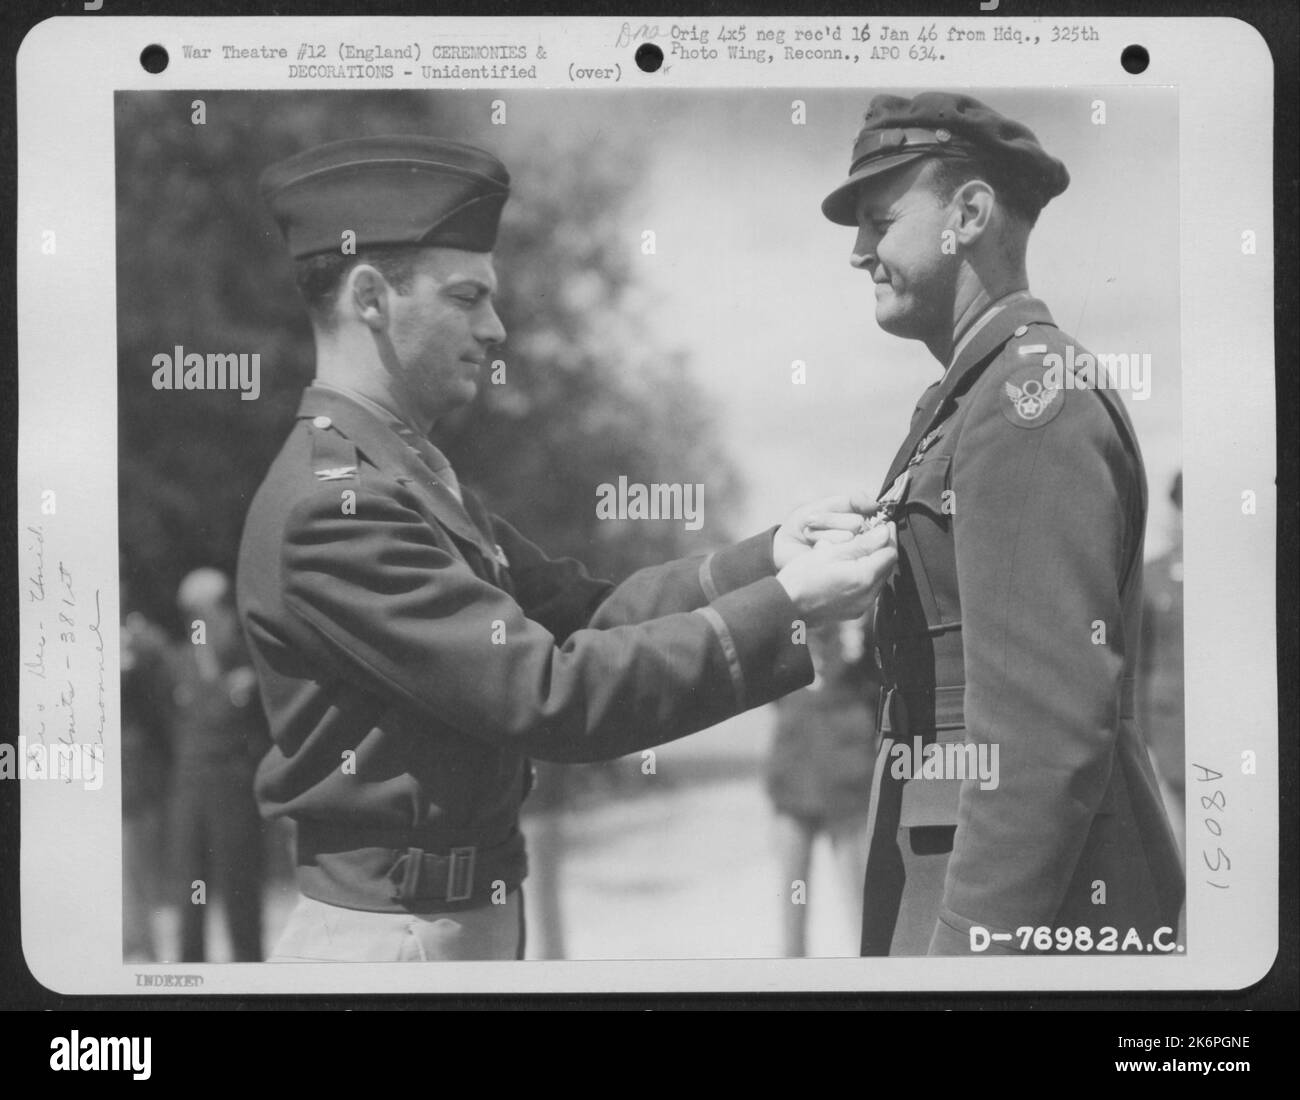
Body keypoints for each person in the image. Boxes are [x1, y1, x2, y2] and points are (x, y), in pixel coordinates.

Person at [239, 135, 898, 962]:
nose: (496, 327)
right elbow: (548, 692)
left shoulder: (407, 477)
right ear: (371, 297)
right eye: (468, 297)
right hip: (395, 941)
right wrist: (790, 606)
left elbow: (586, 614)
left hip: (447, 922)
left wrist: (767, 558)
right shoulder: (337, 505)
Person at [819, 93, 1184, 955]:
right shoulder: (966, 401)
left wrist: (972, 955)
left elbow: (1042, 732)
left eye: (881, 220)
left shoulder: (1029, 403)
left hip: (1015, 899)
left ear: (970, 215)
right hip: (951, 858)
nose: (859, 252)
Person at [167, 568, 268, 962]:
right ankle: (189, 980)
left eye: (219, 607)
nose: (218, 616)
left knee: (240, 888)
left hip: (236, 788)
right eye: (208, 609)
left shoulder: (251, 661)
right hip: (190, 788)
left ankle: (249, 979)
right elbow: (167, 724)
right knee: (190, 889)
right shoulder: (177, 661)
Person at [765, 617, 880, 956]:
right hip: (794, 776)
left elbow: (878, 687)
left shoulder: (864, 620)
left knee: (863, 907)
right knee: (792, 898)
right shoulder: (789, 616)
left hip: (850, 783)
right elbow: (772, 687)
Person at [1139, 472, 1185, 855]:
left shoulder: (1232, 575)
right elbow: (1138, 665)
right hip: (1168, 738)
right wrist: (1142, 741)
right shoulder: (1152, 577)